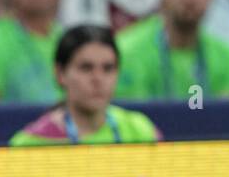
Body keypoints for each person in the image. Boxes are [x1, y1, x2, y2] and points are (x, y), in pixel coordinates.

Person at [10, 24, 161, 145]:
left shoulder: (141, 131)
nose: (98, 78)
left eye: (108, 68)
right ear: (60, 73)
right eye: (86, 68)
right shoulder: (30, 143)